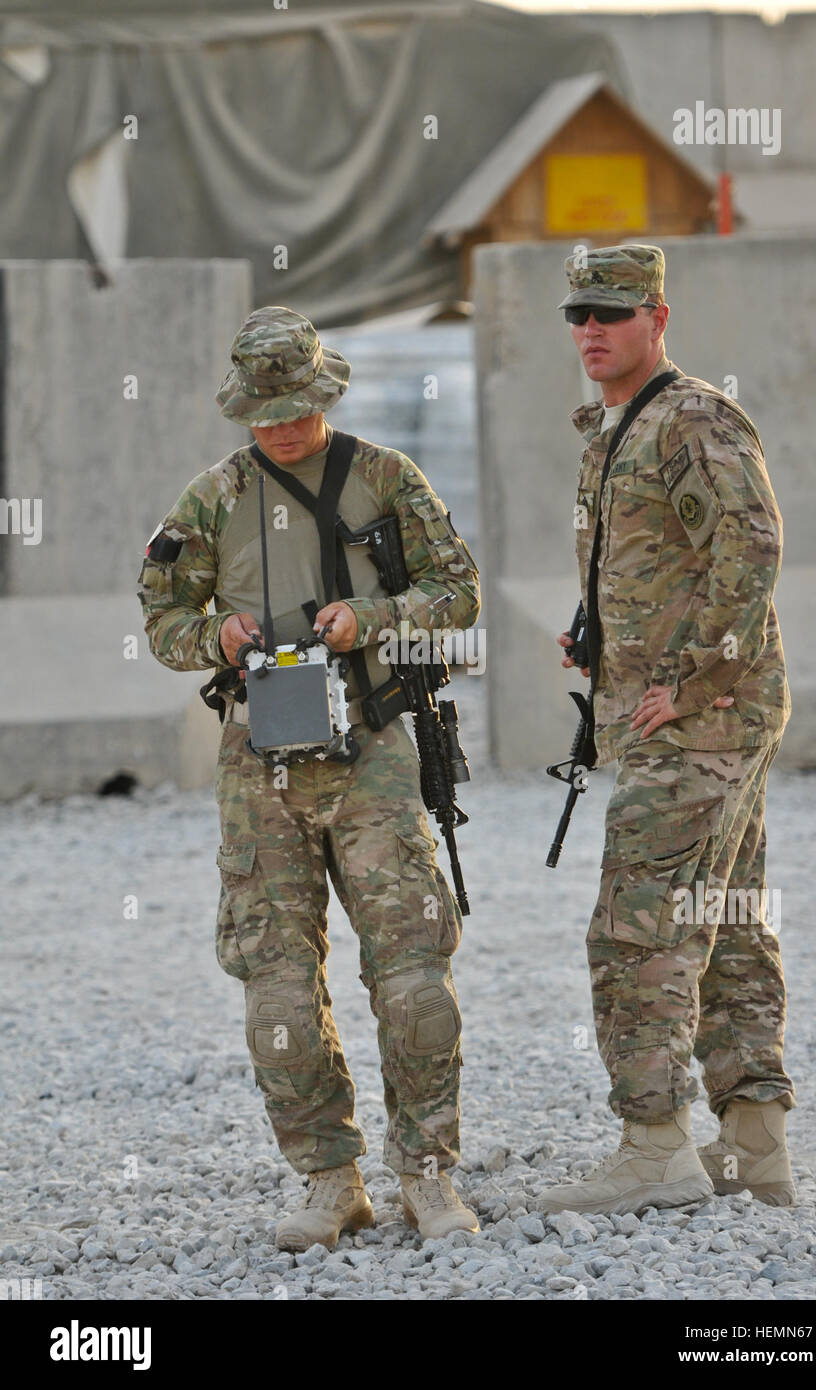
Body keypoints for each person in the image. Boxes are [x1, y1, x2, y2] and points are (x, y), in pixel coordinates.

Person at [137, 306, 481, 1248]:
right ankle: (330, 1178)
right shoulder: (212, 497)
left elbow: (459, 591)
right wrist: (218, 635)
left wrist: (368, 620)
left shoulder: (382, 477)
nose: (283, 425)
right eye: (265, 410)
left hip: (371, 750)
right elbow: (162, 615)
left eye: (297, 406)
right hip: (261, 767)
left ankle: (429, 1171)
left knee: (414, 979)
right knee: (278, 989)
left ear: (324, 395)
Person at [539, 245, 795, 1218]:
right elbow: (661, 563)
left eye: (610, 313)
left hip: (705, 723)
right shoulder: (617, 429)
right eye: (577, 314)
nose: (589, 331)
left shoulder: (689, 417)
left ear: (657, 315)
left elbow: (752, 548)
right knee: (724, 924)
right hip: (707, 715)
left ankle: (652, 1147)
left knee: (635, 926)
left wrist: (687, 679)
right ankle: (751, 1147)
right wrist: (600, 639)